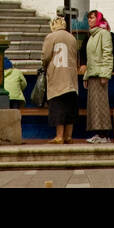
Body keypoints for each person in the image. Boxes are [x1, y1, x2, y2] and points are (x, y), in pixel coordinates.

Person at [42, 16, 80, 144]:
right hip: (70, 76)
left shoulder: (51, 37)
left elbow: (46, 56)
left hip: (57, 75)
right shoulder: (72, 38)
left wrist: (44, 66)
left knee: (58, 106)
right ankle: (68, 136)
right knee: (70, 106)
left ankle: (59, 136)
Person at [79, 8, 113, 142]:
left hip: (100, 75)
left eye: (92, 18)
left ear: (98, 19)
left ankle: (104, 134)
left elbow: (107, 54)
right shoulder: (91, 36)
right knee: (94, 106)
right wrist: (86, 75)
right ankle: (97, 133)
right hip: (93, 73)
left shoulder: (103, 34)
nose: (89, 20)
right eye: (88, 18)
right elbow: (90, 59)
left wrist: (105, 73)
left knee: (101, 105)